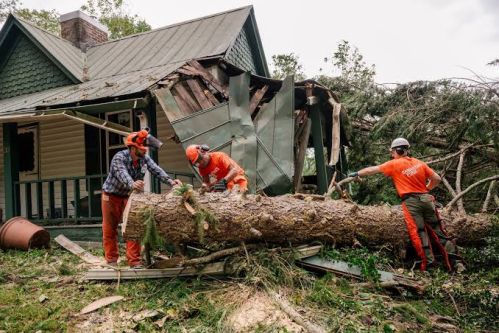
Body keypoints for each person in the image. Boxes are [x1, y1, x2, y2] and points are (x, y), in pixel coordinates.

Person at [349, 138, 459, 271]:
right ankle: (456, 263)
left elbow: (372, 170)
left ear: (397, 150)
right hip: (427, 200)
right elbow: (436, 179)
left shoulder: (394, 164)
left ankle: (430, 265)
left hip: (411, 202)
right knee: (439, 232)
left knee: (419, 232)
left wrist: (356, 173)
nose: (392, 155)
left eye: (393, 152)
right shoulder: (419, 163)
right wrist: (427, 189)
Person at [101, 129, 181, 268]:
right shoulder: (119, 157)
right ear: (132, 147)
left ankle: (134, 261)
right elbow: (122, 174)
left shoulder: (144, 158)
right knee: (110, 229)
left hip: (128, 196)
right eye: (141, 148)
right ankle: (112, 261)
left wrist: (170, 181)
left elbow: (156, 169)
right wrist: (132, 183)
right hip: (111, 196)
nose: (145, 151)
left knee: (134, 227)